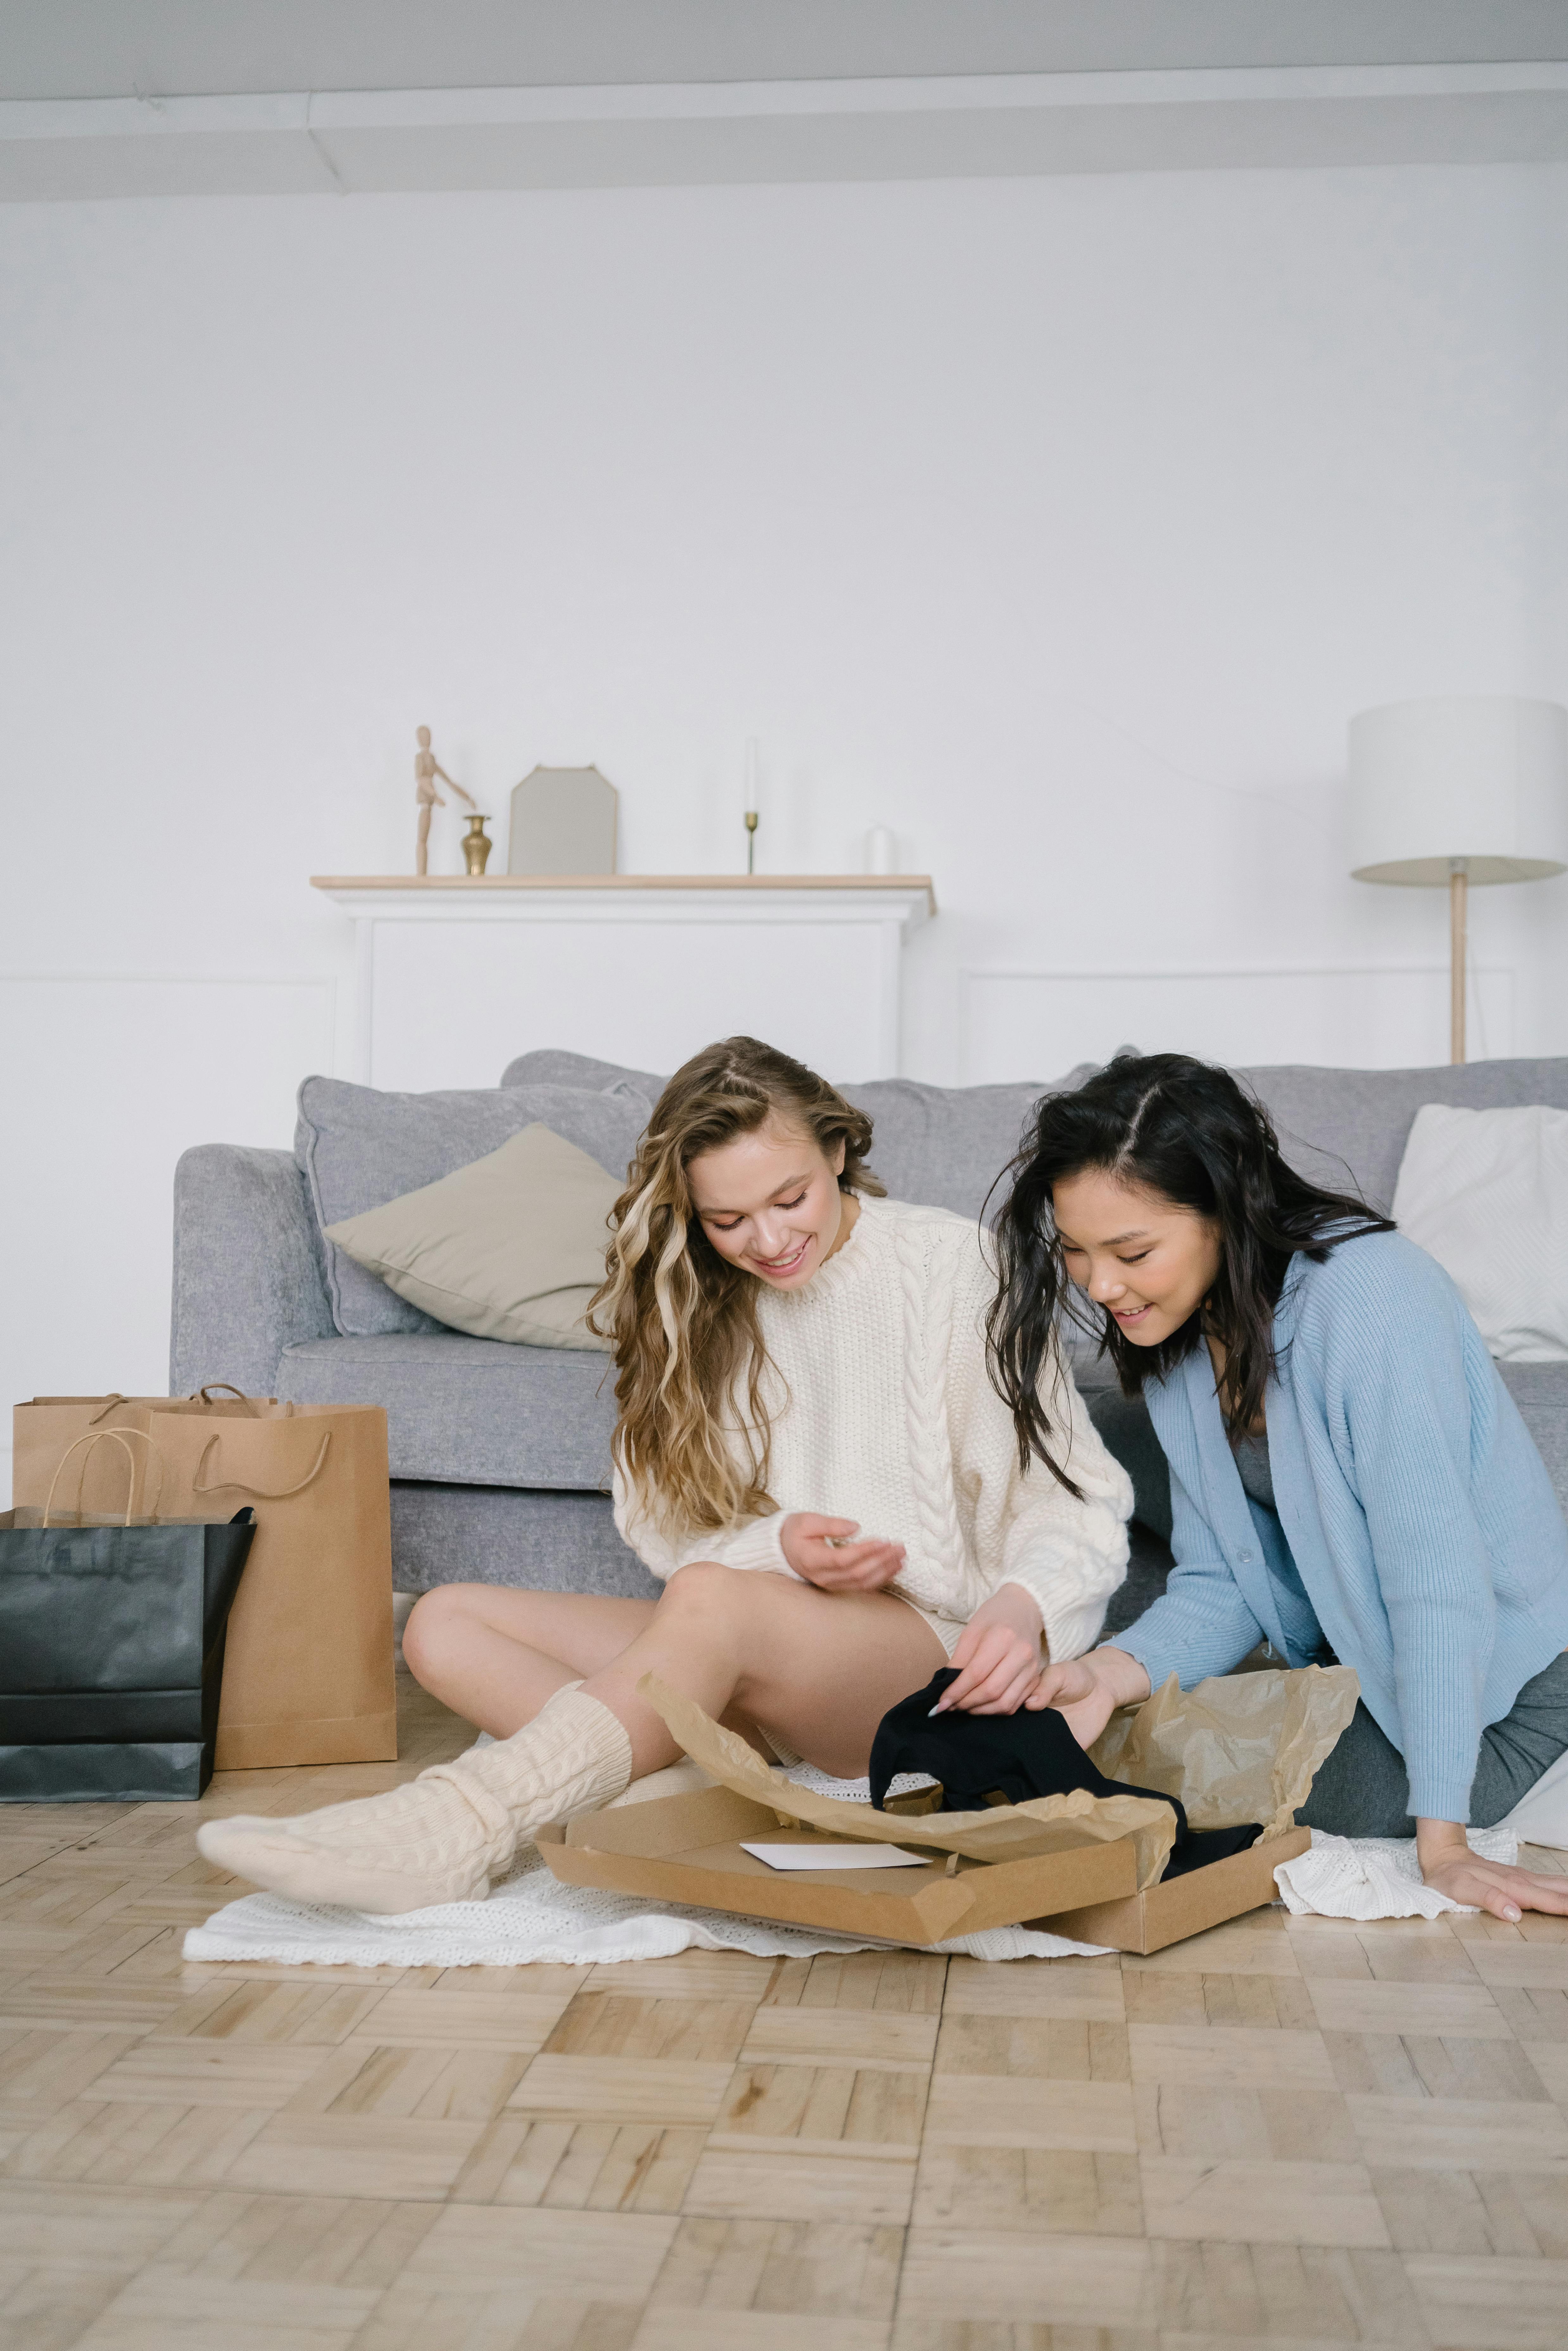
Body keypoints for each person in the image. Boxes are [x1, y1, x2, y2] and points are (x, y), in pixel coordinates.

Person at [199, 1035, 1133, 1913]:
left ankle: (470, 1825)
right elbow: (661, 1526)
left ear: (840, 1150)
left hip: (925, 1652)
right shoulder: (696, 1300)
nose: (767, 1242)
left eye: (791, 1199)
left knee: (710, 1600)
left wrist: (1024, 1607)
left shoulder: (955, 1270)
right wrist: (782, 1547)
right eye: (727, 1219)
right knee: (444, 1623)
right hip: (756, 1641)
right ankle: (718, 1798)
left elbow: (1079, 1500)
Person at [985, 1051, 1568, 1924]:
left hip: (1505, 1694)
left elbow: (1436, 1583)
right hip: (1353, 1655)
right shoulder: (1181, 1332)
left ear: (1225, 1211)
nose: (1101, 1286)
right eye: (1075, 1251)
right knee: (1098, 1710)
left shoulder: (1372, 1299)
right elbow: (1225, 1577)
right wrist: (1107, 1674)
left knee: (1204, 1770)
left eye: (1132, 1251)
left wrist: (1442, 1847)